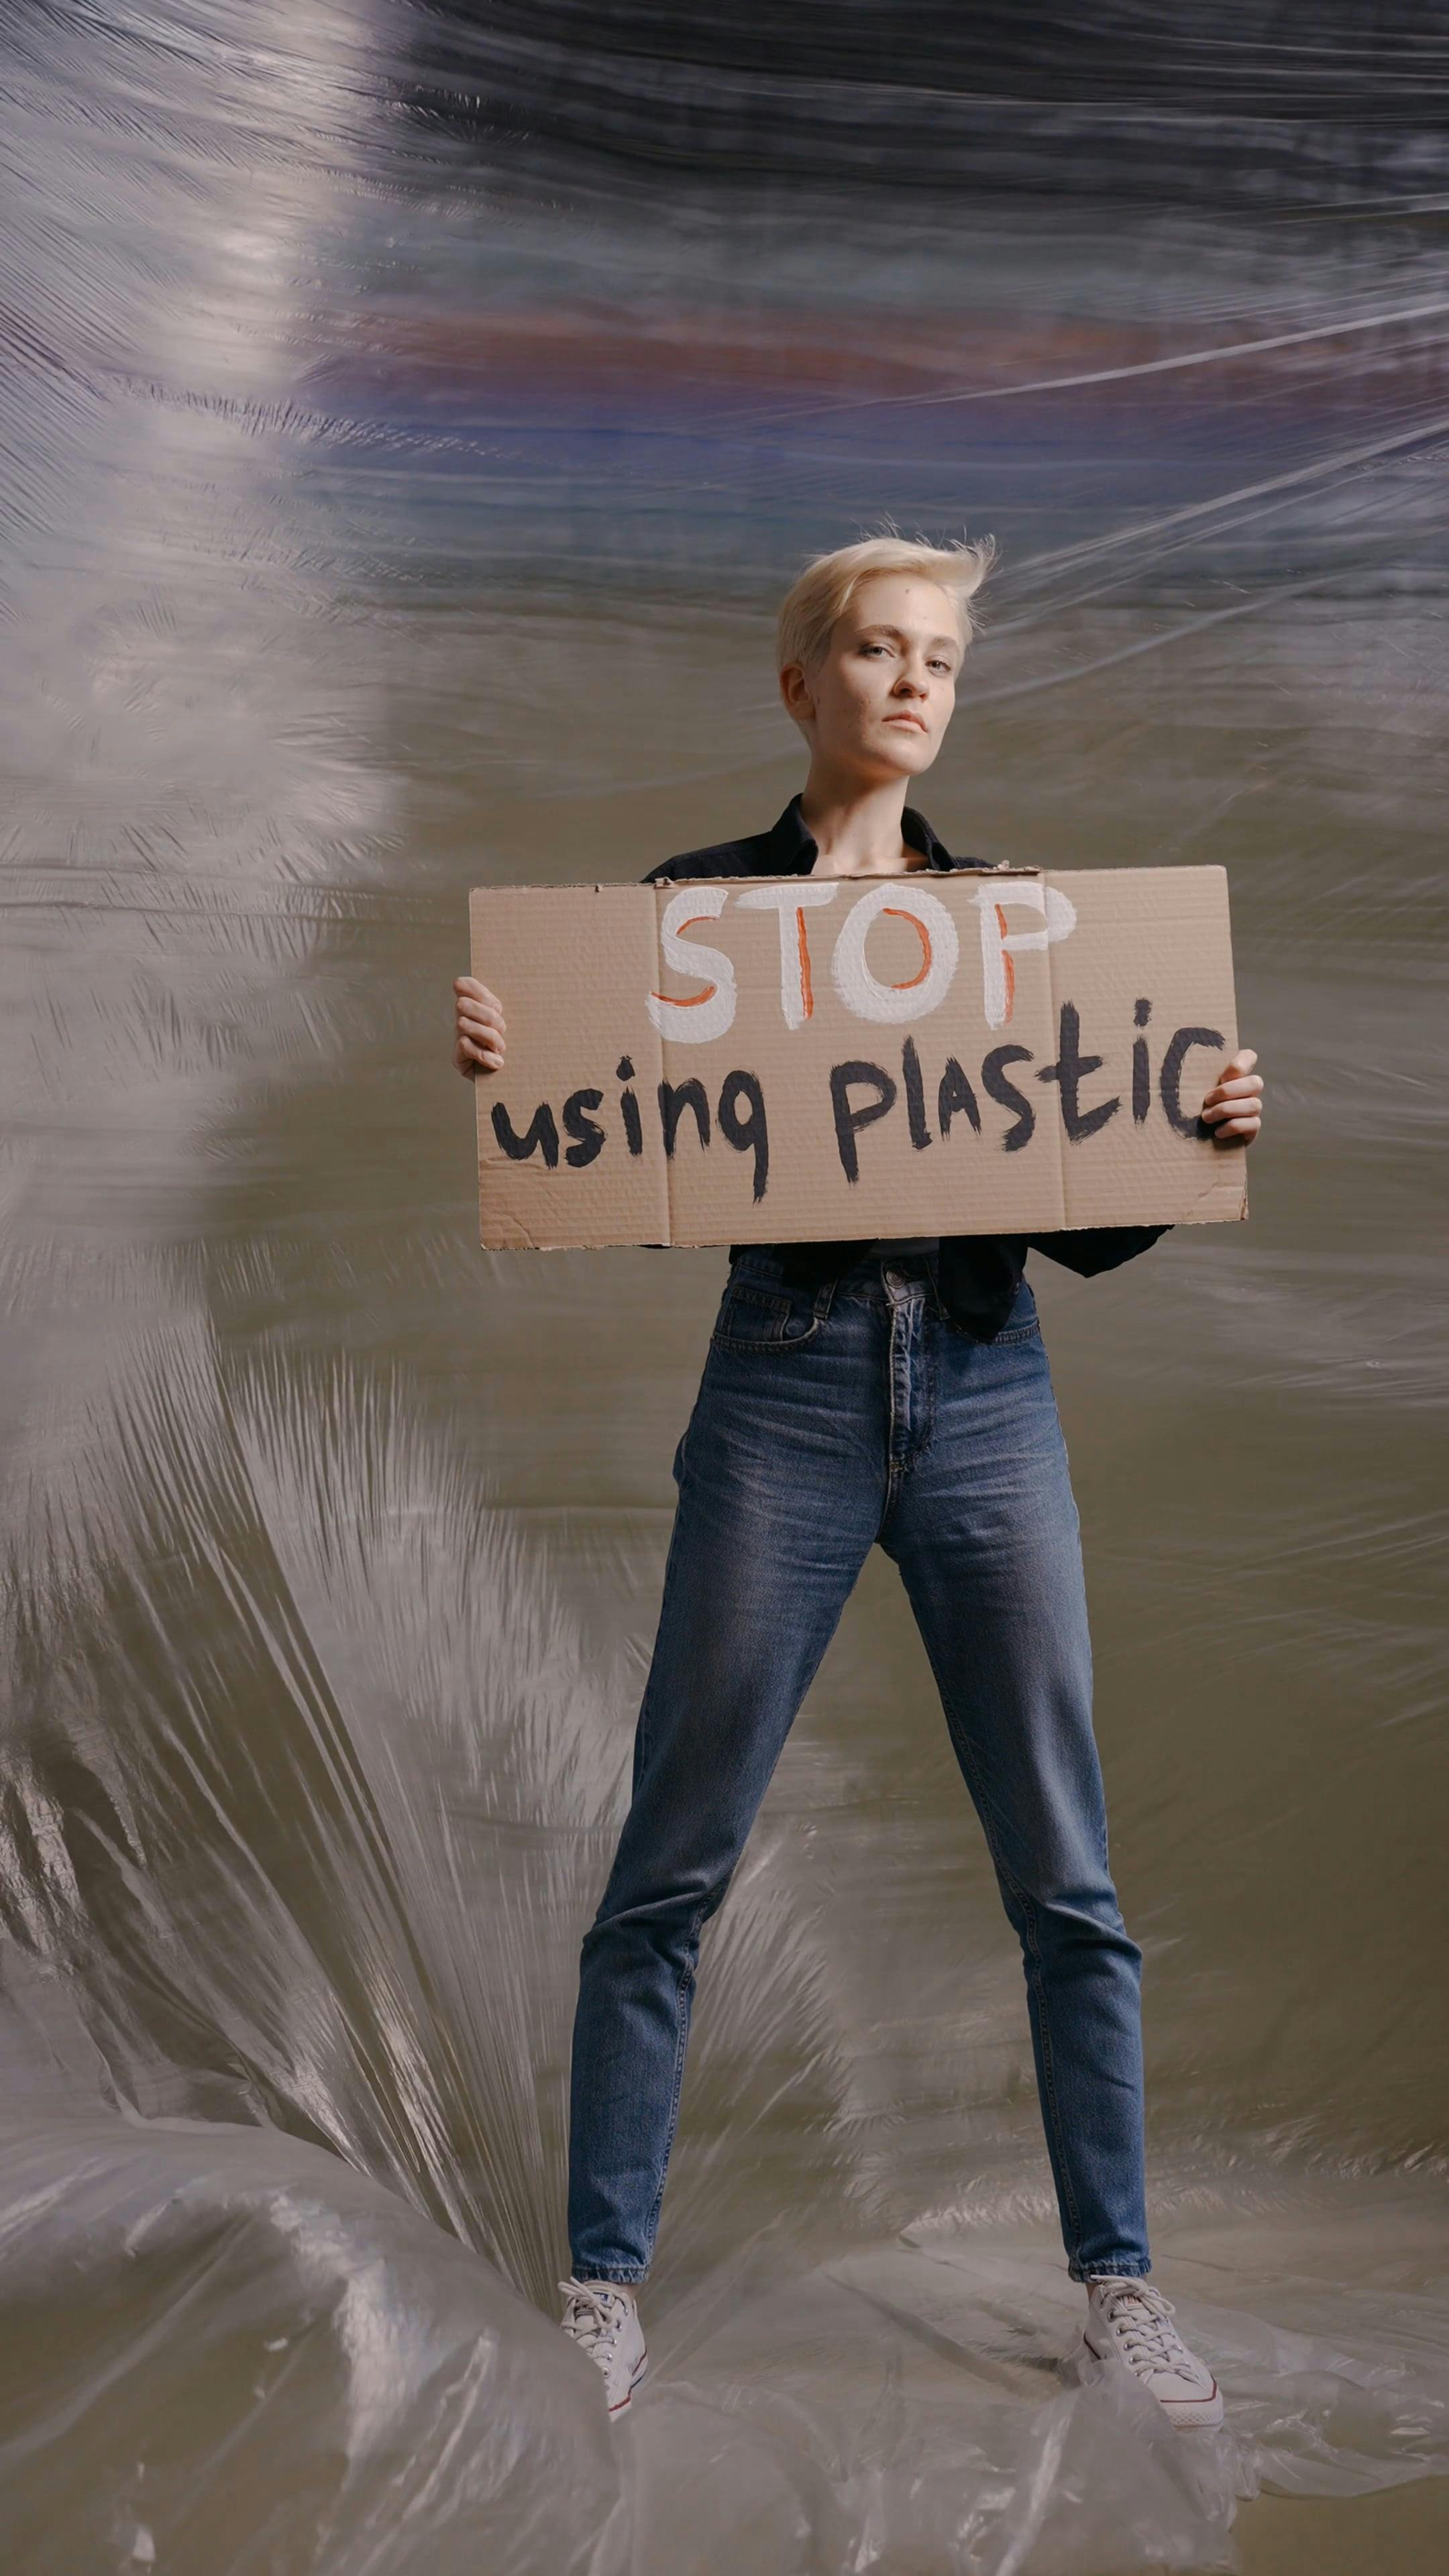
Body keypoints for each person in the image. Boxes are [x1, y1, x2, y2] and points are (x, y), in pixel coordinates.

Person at [453, 537, 1265, 2428]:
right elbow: (609, 1150)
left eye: (944, 660)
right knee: (672, 1857)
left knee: (1066, 1872)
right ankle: (603, 2283)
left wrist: (1196, 1126)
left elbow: (1092, 1221)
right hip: (784, 1402)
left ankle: (1121, 2289)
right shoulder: (695, 917)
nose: (915, 683)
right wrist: (510, 1067)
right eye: (879, 652)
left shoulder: (1014, 925)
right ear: (801, 683)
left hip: (989, 1392)